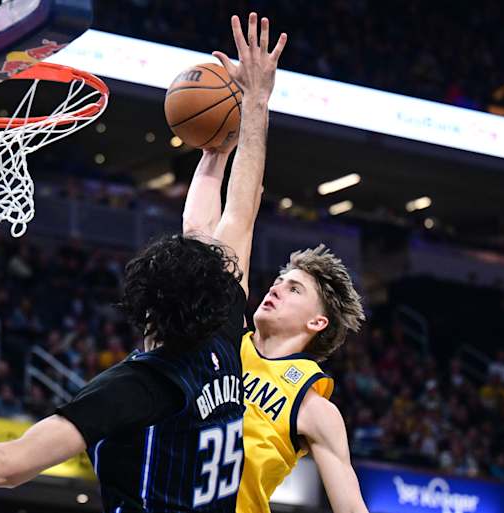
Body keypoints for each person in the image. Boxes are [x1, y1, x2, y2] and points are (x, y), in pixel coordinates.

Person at [0, 13, 284, 512]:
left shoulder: (141, 386)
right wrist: (249, 111)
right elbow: (237, 212)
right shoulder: (224, 337)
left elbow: (8, 466)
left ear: (144, 308)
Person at [182, 16, 369, 513]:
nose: (276, 289)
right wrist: (214, 155)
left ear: (317, 321)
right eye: (280, 280)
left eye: (294, 289)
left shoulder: (314, 407)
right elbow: (201, 240)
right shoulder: (225, 337)